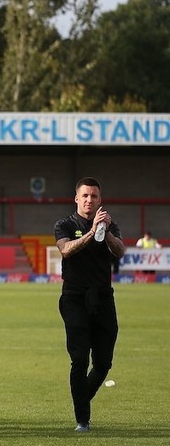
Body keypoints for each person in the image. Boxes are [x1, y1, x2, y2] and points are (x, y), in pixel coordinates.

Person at [54, 177, 125, 432]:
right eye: (85, 196)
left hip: (103, 298)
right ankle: (82, 419)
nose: (89, 200)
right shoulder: (64, 225)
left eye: (94, 196)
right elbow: (66, 250)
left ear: (100, 200)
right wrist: (91, 232)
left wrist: (104, 233)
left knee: (104, 363)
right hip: (74, 297)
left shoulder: (110, 226)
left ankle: (81, 398)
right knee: (80, 359)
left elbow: (120, 251)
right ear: (76, 199)